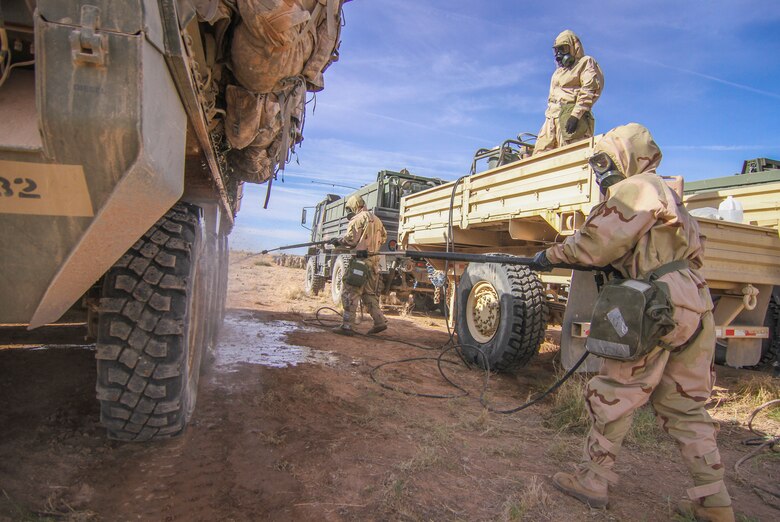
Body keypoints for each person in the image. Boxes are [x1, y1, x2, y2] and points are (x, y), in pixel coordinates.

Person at [529, 123, 734, 522]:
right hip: (694, 303)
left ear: (625, 156)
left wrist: (551, 256)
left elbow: (596, 242)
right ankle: (715, 504)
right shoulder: (673, 198)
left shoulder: (638, 187)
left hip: (654, 305)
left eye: (603, 161)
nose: (600, 171)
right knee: (686, 408)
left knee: (614, 394)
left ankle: (592, 480)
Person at [533, 30, 604, 155]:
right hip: (551, 118)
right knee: (539, 155)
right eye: (557, 50)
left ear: (573, 47)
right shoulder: (558, 73)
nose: (560, 54)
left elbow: (589, 89)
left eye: (564, 49)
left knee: (570, 155)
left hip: (570, 115)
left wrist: (575, 115)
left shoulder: (585, 62)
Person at [329, 194, 388, 336]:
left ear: (355, 206)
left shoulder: (357, 219)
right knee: (369, 293)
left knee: (350, 292)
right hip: (375, 262)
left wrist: (338, 241)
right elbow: (384, 237)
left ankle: (347, 326)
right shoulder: (377, 220)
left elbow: (351, 240)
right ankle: (380, 322)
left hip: (360, 263)